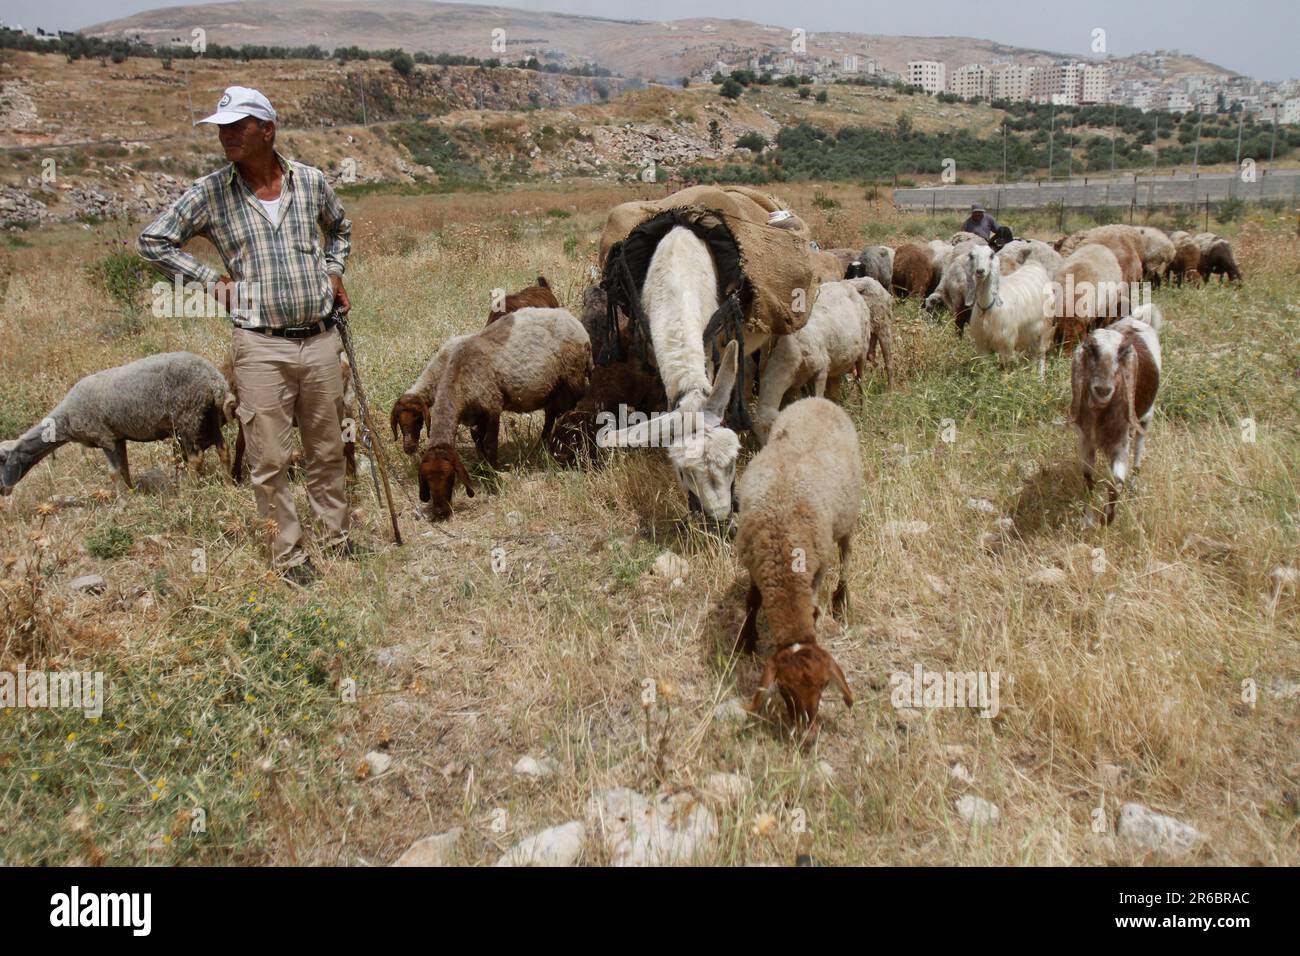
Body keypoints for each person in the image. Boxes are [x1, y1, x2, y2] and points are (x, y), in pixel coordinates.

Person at [138, 86, 358, 585]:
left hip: (321, 337)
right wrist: (208, 282)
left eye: (238, 126)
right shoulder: (213, 192)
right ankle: (289, 555)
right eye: (222, 128)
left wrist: (334, 269)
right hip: (259, 344)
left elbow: (340, 229)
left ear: (268, 129)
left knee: (327, 448)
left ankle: (337, 536)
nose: (227, 136)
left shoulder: (311, 182)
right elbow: (153, 240)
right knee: (270, 457)